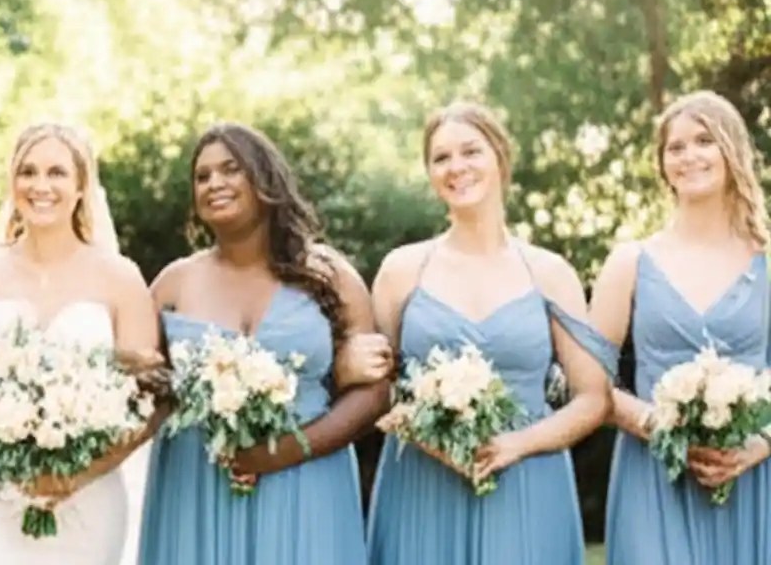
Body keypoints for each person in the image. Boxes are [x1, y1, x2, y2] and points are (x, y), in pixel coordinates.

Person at [367, 102, 614, 565]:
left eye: (470, 151)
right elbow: (377, 392)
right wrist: (432, 440)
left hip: (526, 479)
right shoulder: (402, 271)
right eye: (441, 158)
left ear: (500, 157)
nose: (456, 167)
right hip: (422, 485)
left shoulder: (550, 273)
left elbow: (593, 399)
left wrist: (515, 445)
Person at [139, 122, 392, 564]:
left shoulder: (328, 274)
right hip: (196, 484)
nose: (215, 183)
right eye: (202, 176)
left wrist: (283, 452)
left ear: (265, 177)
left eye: (230, 169)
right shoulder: (173, 283)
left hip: (307, 481)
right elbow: (142, 388)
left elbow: (374, 393)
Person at [0, 122, 159, 565]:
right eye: (27, 172)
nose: (40, 185)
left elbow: (149, 405)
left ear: (82, 186)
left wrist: (74, 476)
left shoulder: (121, 278)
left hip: (89, 495)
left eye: (57, 173)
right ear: (12, 182)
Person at [598, 90, 771, 565]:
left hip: (755, 477)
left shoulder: (767, 261)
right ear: (662, 165)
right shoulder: (630, 262)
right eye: (676, 147)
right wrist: (656, 424)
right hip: (652, 477)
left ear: (730, 151)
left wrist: (762, 443)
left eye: (704, 141)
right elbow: (587, 383)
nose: (690, 156)